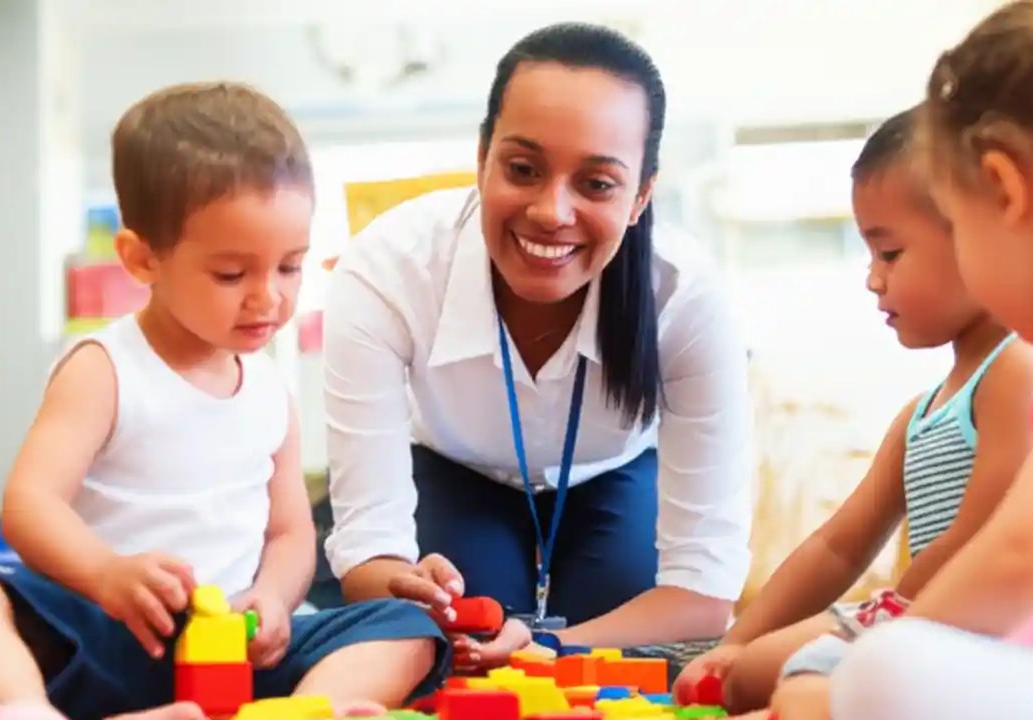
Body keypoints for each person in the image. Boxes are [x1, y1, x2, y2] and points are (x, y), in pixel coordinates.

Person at [744, 1, 1033, 719]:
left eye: (958, 227)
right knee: (836, 673)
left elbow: (1023, 556)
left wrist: (869, 660)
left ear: (1004, 188)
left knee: (878, 667)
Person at [0, 82, 448, 720]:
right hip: (106, 634)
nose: (269, 298)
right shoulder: (105, 370)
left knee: (407, 626)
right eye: (232, 274)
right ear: (142, 258)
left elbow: (289, 532)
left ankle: (303, 711)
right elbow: (29, 507)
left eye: (289, 267)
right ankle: (25, 710)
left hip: (232, 649)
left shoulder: (267, 392)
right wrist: (106, 575)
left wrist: (274, 600)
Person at [322, 22, 752, 666]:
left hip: (612, 475)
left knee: (628, 641)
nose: (552, 211)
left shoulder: (685, 297)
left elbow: (703, 592)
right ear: (481, 159)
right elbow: (369, 550)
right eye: (523, 169)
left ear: (641, 195)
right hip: (452, 470)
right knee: (452, 630)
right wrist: (405, 588)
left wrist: (550, 647)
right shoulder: (388, 269)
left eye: (598, 184)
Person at [675, 107, 1033, 713]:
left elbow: (984, 537)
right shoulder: (922, 413)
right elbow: (837, 546)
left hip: (985, 631)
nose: (872, 279)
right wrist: (737, 639)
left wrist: (880, 614)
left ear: (978, 233)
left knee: (764, 679)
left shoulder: (1026, 365)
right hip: (917, 620)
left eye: (889, 253)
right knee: (744, 672)